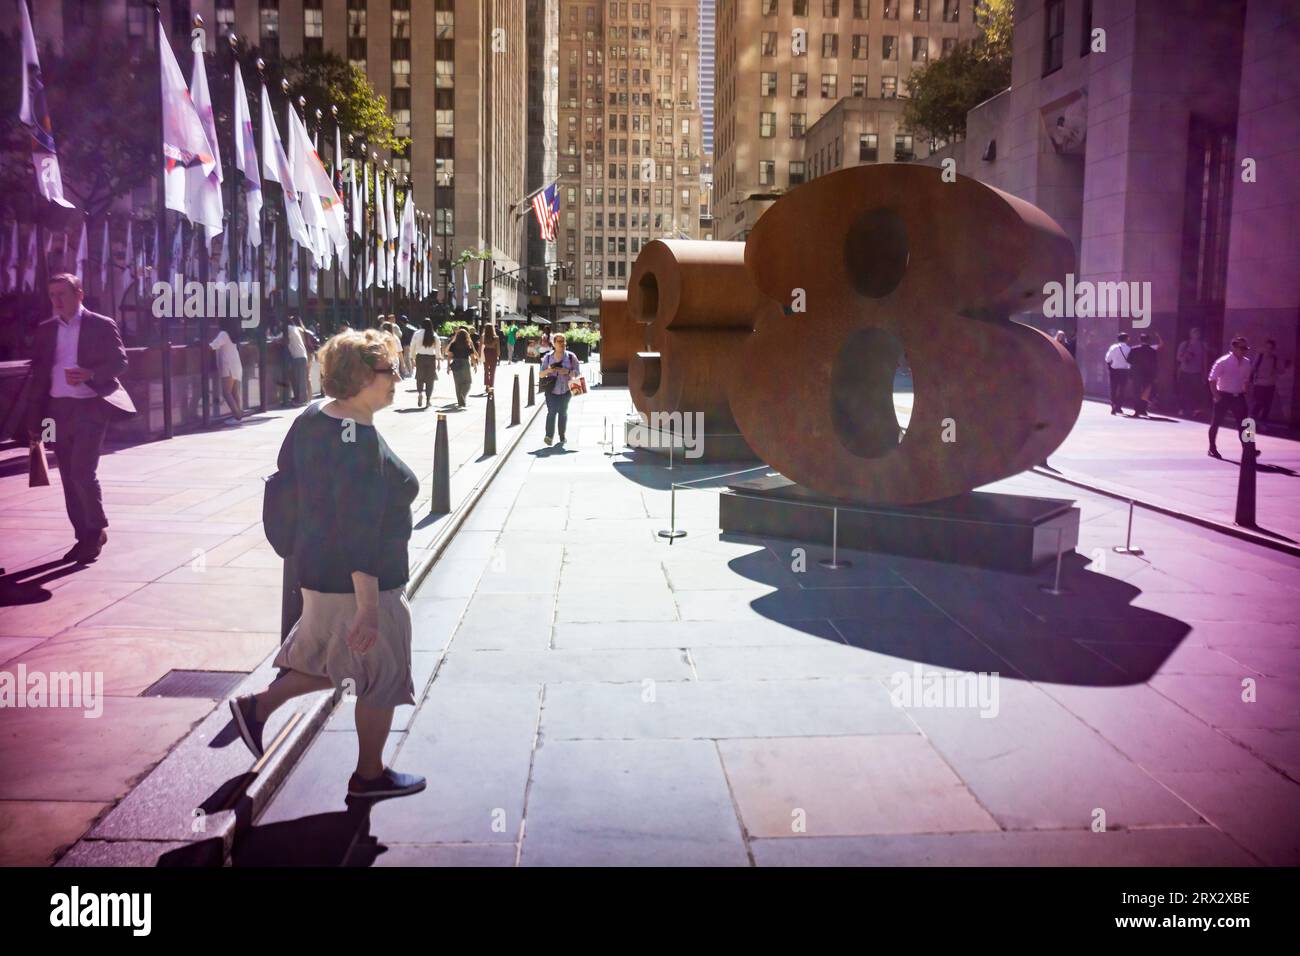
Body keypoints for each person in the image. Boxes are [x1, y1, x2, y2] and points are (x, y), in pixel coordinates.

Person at [228, 329, 425, 799]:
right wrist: (370, 606)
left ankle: (258, 708)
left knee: (337, 660)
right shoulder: (355, 441)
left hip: (317, 573)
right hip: (355, 584)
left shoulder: (315, 416)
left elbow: (290, 480)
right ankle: (369, 777)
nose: (397, 377)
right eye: (388, 370)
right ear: (360, 376)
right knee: (383, 673)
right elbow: (357, 528)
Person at [22, 273, 137, 563]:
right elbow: (39, 377)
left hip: (90, 408)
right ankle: (83, 536)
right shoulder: (46, 330)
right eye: (52, 295)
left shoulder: (101, 324)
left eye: (62, 294)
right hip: (54, 412)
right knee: (67, 476)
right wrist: (35, 423)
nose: (57, 301)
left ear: (79, 294)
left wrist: (91, 375)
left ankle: (96, 529)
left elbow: (120, 362)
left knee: (82, 472)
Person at [1207, 335, 1254, 459]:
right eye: (1241, 348)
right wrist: (1216, 396)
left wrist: (1246, 395)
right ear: (1233, 347)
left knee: (1245, 423)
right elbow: (1212, 379)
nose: (1244, 351)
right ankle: (1212, 447)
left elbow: (1246, 381)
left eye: (1245, 348)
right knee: (1216, 423)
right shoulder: (1223, 361)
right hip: (1223, 395)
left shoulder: (1247, 362)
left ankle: (1248, 448)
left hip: (1238, 396)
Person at [539, 332, 580, 446]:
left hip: (566, 390)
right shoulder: (548, 357)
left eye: (564, 341)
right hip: (551, 390)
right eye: (559, 341)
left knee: (563, 413)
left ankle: (562, 436)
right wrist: (549, 370)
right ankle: (549, 436)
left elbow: (577, 373)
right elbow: (541, 374)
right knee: (551, 412)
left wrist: (567, 371)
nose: (562, 344)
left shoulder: (571, 357)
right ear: (553, 343)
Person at [209, 319, 245, 421]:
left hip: (228, 366)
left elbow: (213, 345)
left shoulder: (223, 334)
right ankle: (239, 416)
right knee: (235, 393)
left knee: (226, 393)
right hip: (236, 365)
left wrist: (199, 343)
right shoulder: (233, 335)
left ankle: (237, 415)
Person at [1250, 339, 1290, 425]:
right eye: (1267, 347)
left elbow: (1281, 371)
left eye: (1270, 348)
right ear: (1264, 347)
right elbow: (1252, 369)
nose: (1268, 350)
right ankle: (1250, 424)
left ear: (1273, 349)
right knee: (1258, 404)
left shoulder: (1275, 359)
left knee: (1267, 406)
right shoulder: (1259, 357)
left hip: (1270, 385)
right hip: (1259, 384)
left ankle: (1263, 424)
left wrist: (1284, 366)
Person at [1127, 330, 1162, 417]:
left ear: (1140, 339)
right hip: (1148, 374)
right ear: (1148, 340)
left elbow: (1129, 360)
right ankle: (1143, 409)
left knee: (1136, 391)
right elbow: (1155, 364)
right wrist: (1155, 375)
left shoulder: (1134, 349)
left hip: (1136, 374)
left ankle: (1137, 410)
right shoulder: (1152, 351)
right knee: (1146, 392)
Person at [1176, 327, 1208, 418]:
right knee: (1183, 391)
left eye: (1197, 333)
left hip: (1197, 372)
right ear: (1190, 334)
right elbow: (1178, 358)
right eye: (1194, 332)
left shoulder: (1202, 345)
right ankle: (1182, 409)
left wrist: (1205, 372)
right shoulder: (1184, 344)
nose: (1196, 334)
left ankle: (1196, 409)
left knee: (1196, 391)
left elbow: (1205, 359)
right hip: (1184, 371)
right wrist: (1186, 357)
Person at [410, 318, 441, 409]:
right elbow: (438, 349)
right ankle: (428, 400)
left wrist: (412, 358)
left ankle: (420, 393)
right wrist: (438, 361)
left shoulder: (417, 334)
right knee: (430, 379)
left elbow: (412, 346)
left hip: (420, 357)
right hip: (431, 358)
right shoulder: (434, 335)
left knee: (419, 377)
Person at [444, 327, 477, 407]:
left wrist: (448, 366)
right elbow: (473, 356)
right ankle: (463, 395)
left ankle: (460, 401)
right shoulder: (467, 343)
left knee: (458, 384)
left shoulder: (454, 344)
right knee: (468, 382)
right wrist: (475, 365)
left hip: (455, 363)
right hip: (465, 363)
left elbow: (448, 355)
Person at [1104, 332, 1133, 415]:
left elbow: (1107, 359)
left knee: (1113, 388)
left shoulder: (1113, 347)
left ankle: (1113, 404)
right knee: (1122, 389)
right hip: (1124, 370)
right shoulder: (1129, 349)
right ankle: (1119, 407)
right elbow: (1131, 361)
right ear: (1127, 339)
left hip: (1114, 370)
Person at [285, 315, 309, 406]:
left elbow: (279, 338)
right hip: (301, 355)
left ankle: (301, 401)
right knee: (300, 379)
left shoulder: (288, 328)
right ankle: (301, 399)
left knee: (299, 380)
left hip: (298, 356)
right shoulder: (295, 328)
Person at [481, 324, 500, 391]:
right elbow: (498, 348)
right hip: (493, 353)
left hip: (485, 352)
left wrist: (480, 355)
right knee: (492, 371)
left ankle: (487, 385)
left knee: (486, 370)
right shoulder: (496, 337)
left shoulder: (483, 336)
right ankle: (491, 385)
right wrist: (498, 355)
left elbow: (480, 347)